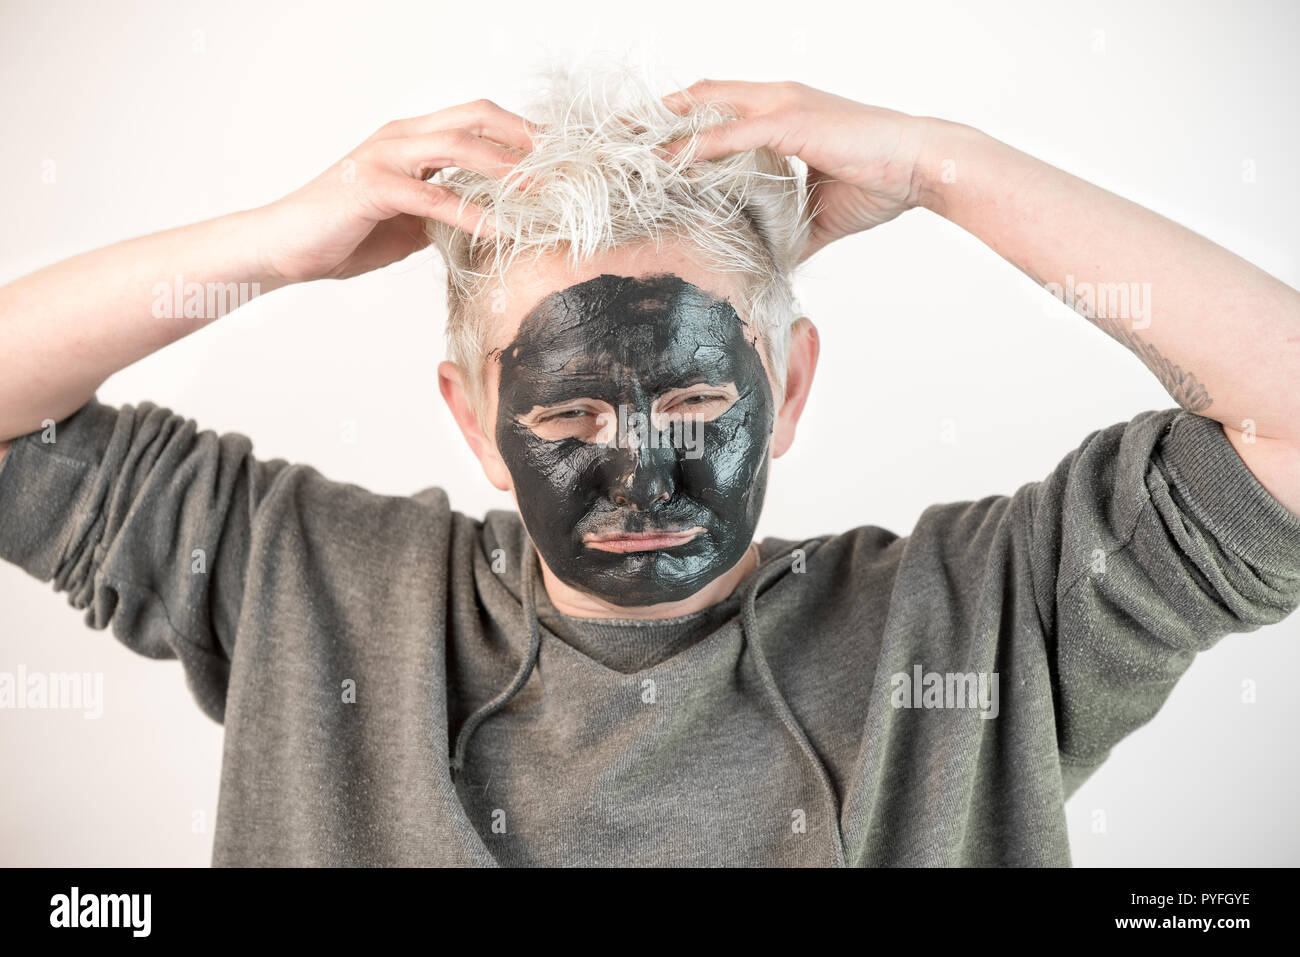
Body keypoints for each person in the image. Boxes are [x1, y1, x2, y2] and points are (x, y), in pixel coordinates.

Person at [1, 64, 1298, 867]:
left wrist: (941, 165)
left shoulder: (981, 622)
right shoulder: (305, 582)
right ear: (473, 420)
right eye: (567, 427)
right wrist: (277, 240)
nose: (641, 481)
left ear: (785, 390)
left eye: (690, 401)